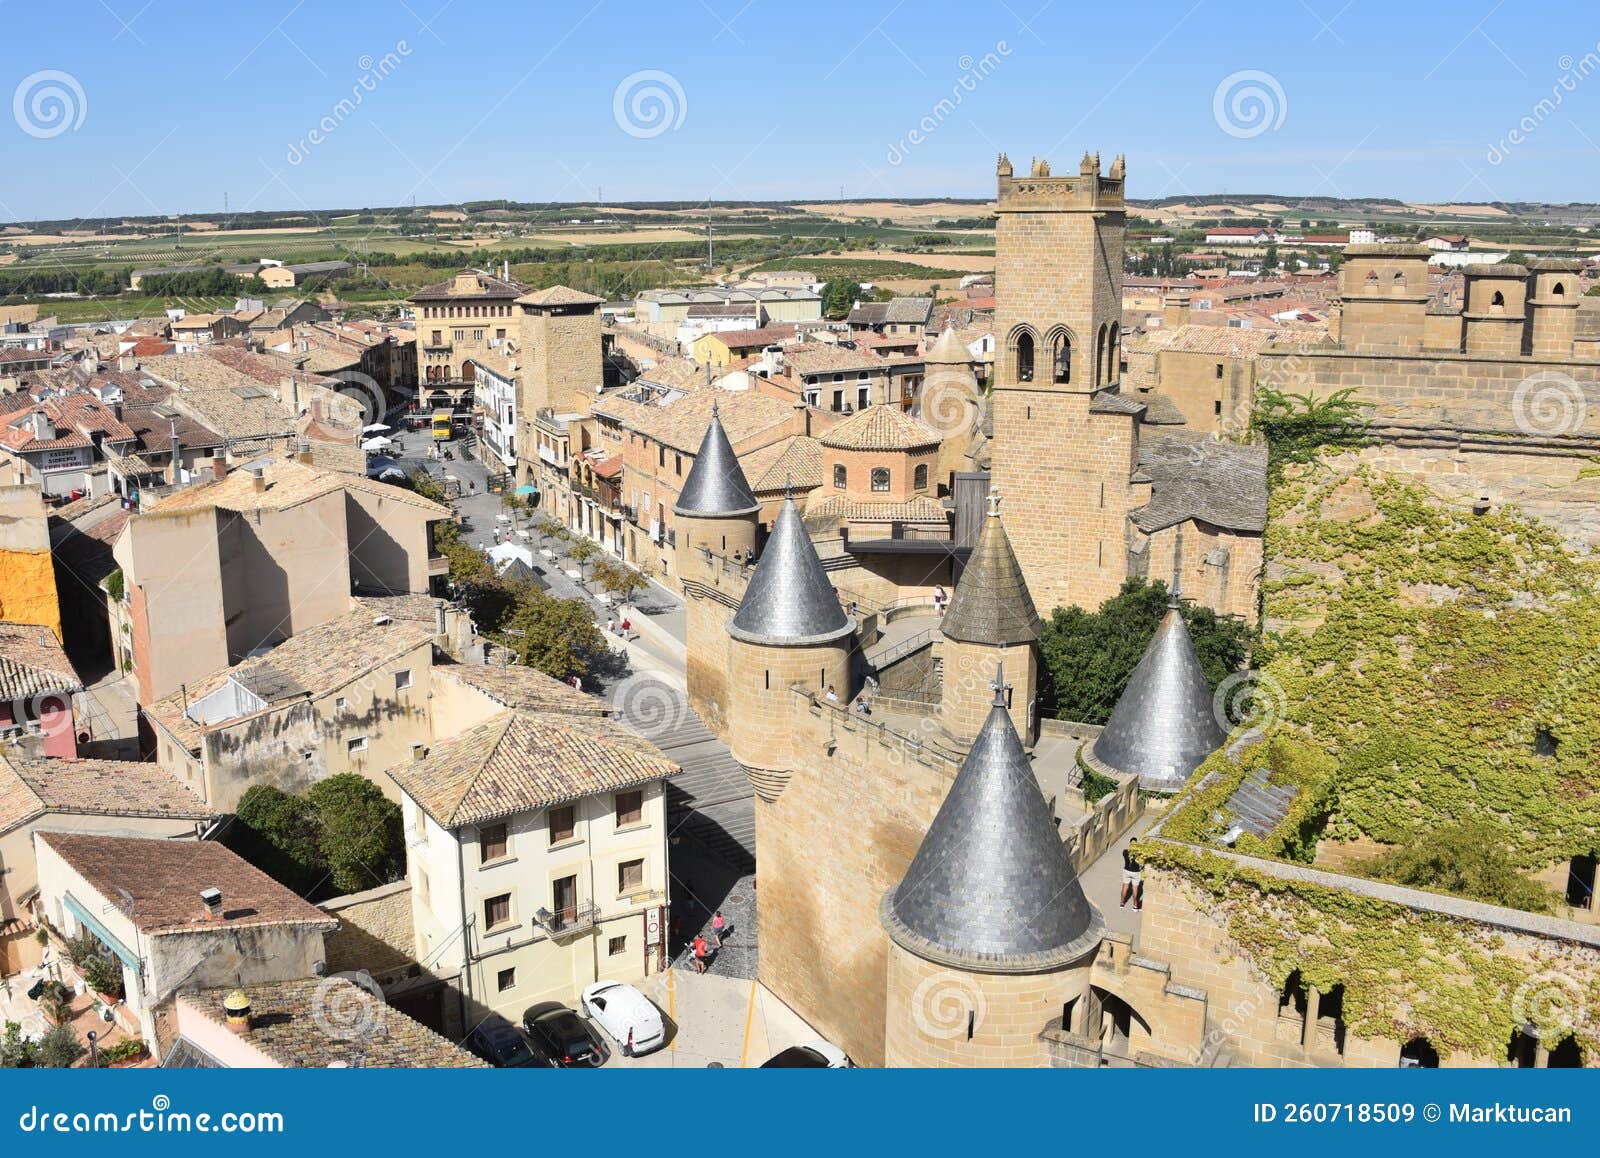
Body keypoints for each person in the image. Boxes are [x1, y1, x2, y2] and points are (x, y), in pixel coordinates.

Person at [1121, 845, 1143, 910]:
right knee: (1135, 888)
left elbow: (1125, 855)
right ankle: (1135, 905)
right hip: (1136, 872)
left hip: (1126, 871)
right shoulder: (1139, 854)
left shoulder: (1125, 852)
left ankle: (1122, 903)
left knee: (1125, 887)